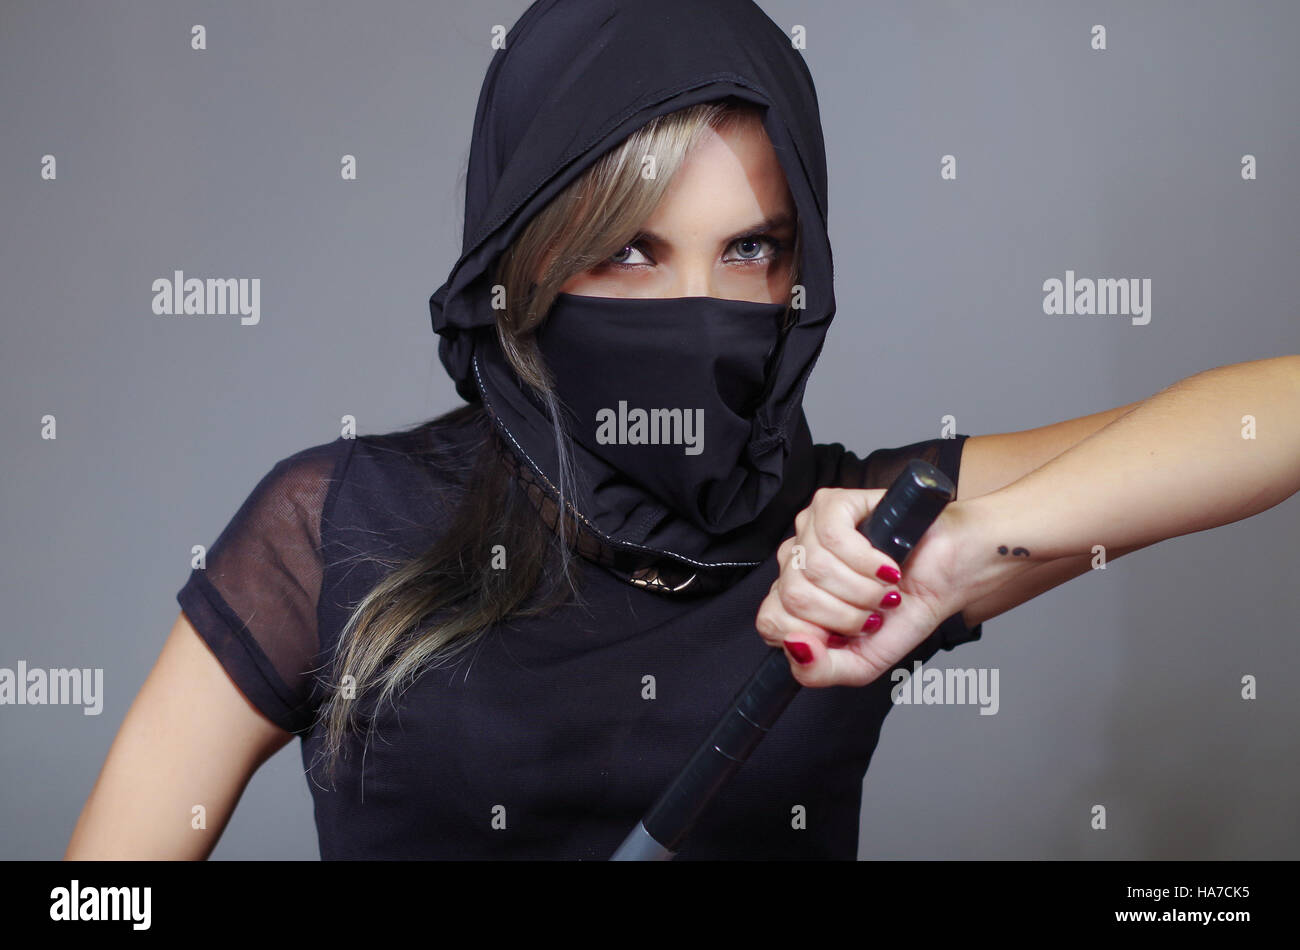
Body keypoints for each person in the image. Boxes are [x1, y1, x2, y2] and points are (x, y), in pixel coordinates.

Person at [64, 0, 1298, 861]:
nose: (696, 306)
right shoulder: (329, 521)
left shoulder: (858, 538)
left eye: (750, 249)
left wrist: (978, 542)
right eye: (628, 251)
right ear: (530, 264)